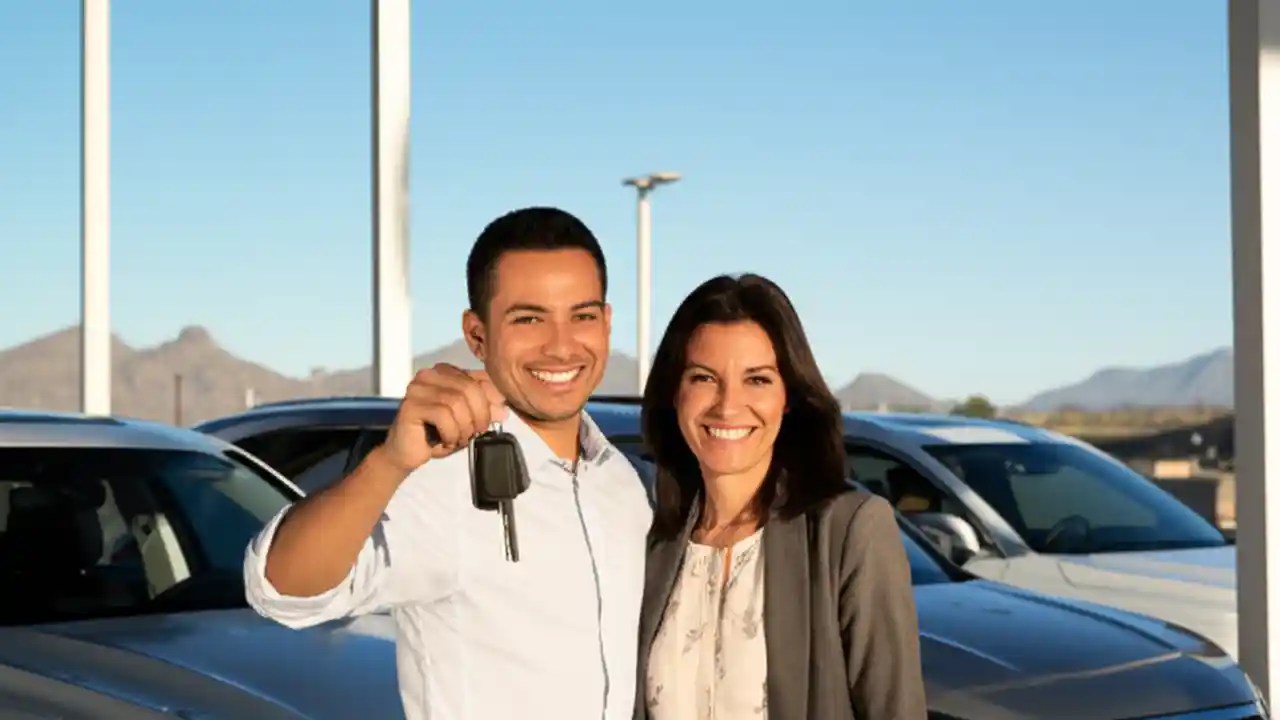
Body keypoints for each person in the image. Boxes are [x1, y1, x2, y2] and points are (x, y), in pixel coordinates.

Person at [243, 207, 654, 720]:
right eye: (529, 318)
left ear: (607, 323)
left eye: (583, 315)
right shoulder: (439, 480)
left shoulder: (624, 483)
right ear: (477, 335)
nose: (561, 345)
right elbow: (284, 591)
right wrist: (390, 462)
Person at [633, 273, 928, 719]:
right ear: (675, 392)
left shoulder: (849, 530)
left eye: (757, 380)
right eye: (704, 377)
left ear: (788, 396)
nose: (728, 405)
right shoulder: (649, 539)